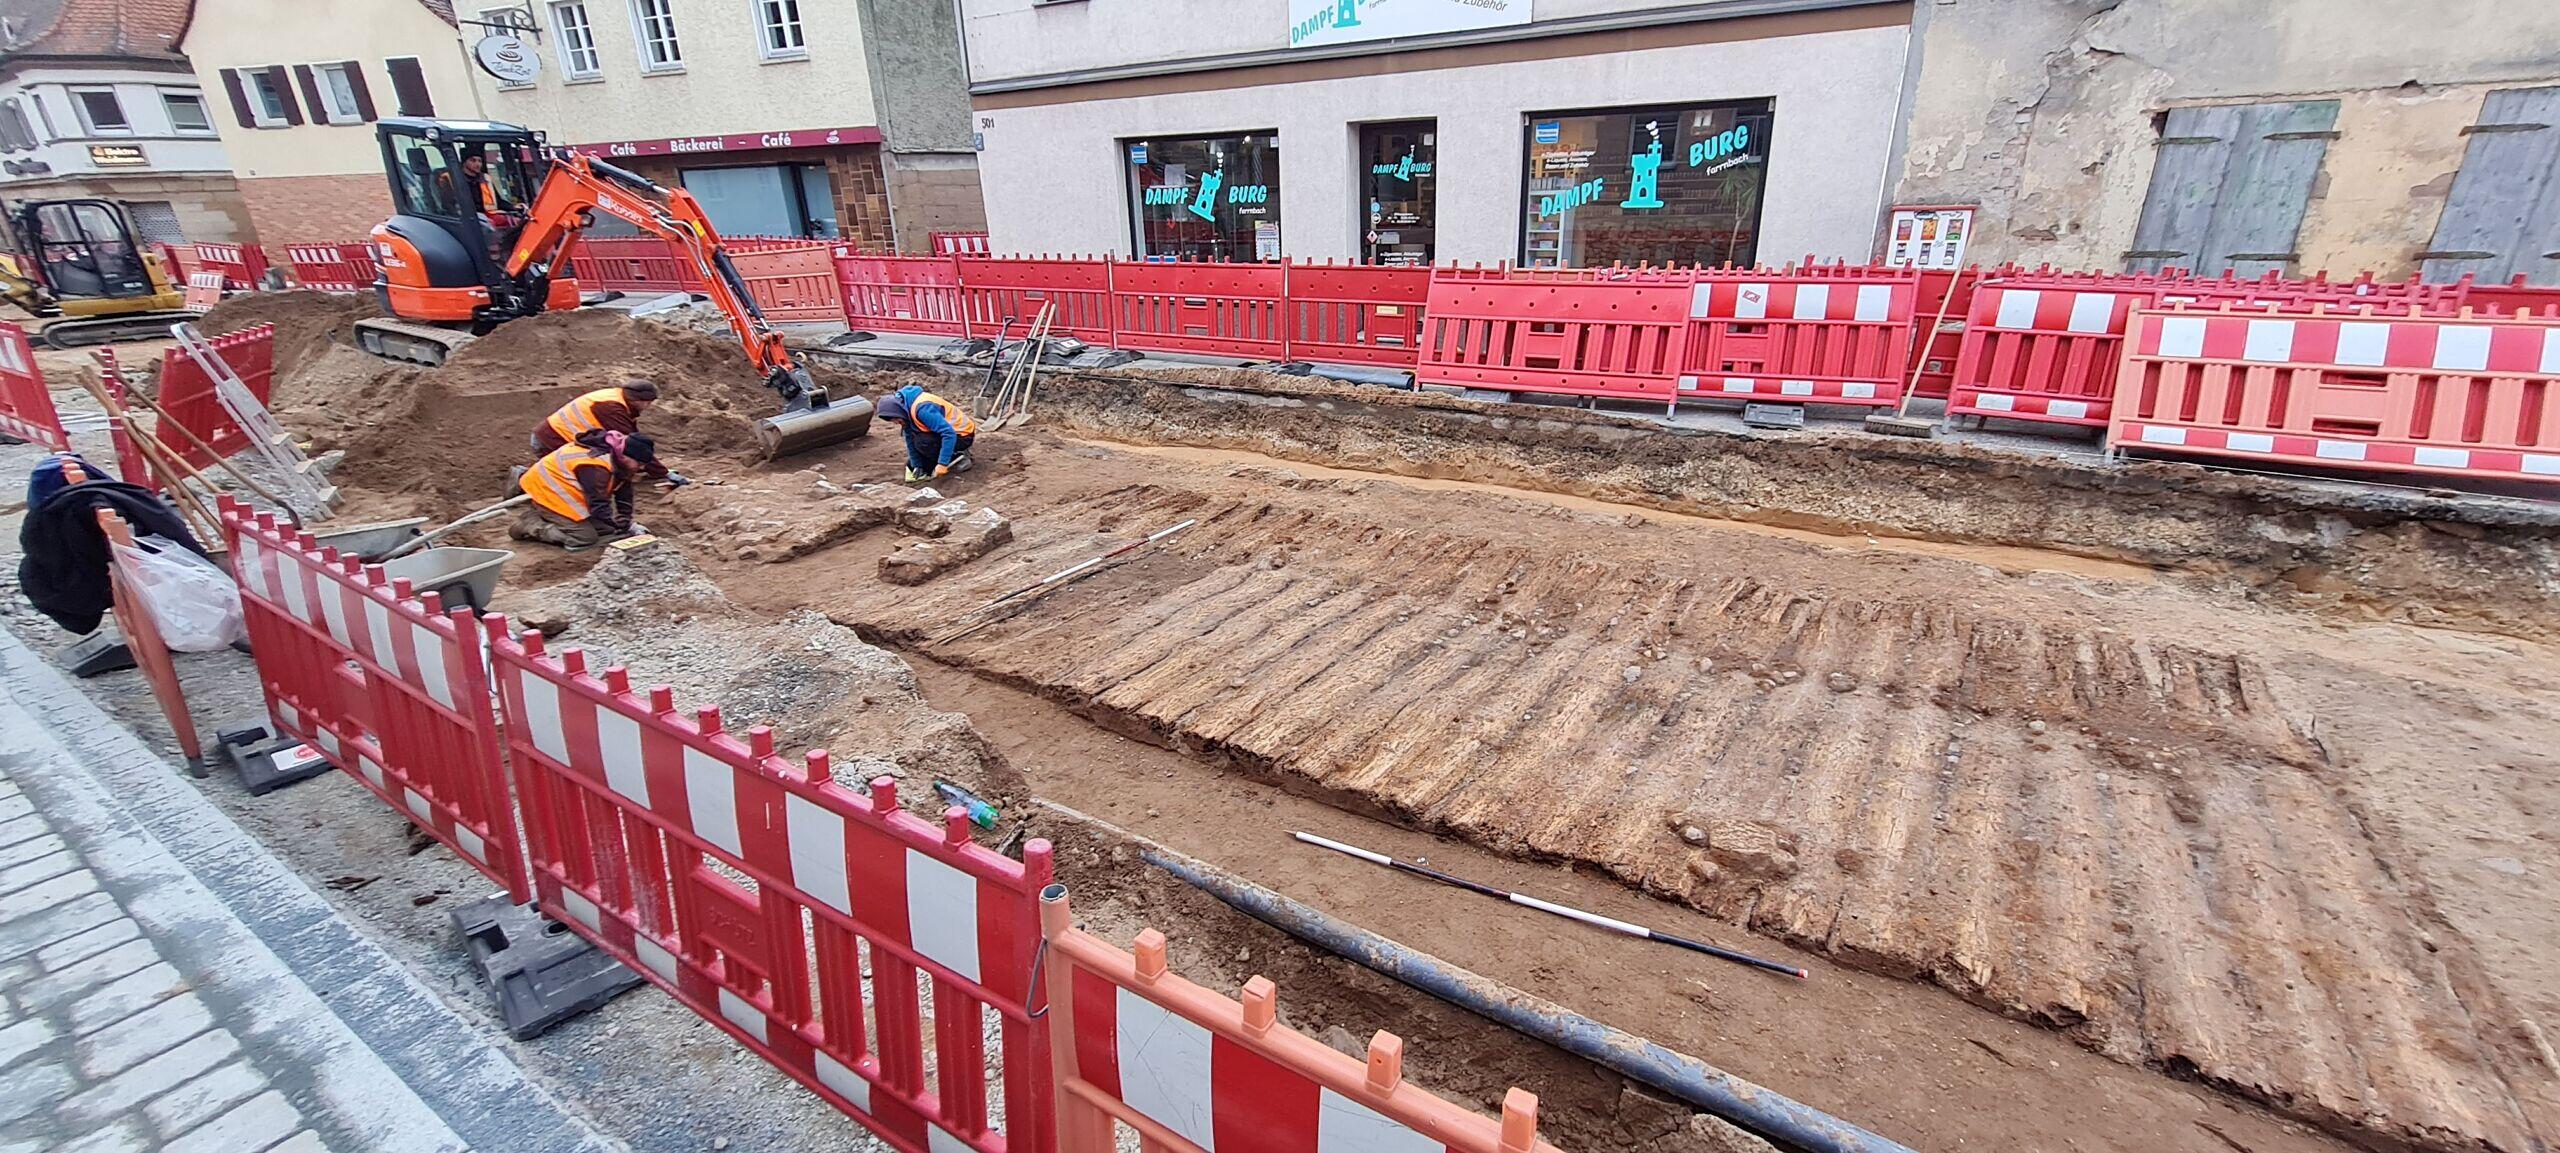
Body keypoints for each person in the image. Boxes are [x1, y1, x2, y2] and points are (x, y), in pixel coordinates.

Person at [532, 378, 687, 487]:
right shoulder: (611, 408)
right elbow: (630, 446)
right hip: (552, 441)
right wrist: (663, 473)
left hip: (553, 436)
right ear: (643, 401)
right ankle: (524, 478)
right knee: (586, 479)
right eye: (649, 403)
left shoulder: (617, 398)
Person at [509, 429, 643, 550]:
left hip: (563, 490)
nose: (642, 468)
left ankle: (549, 519)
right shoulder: (595, 466)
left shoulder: (619, 461)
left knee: (607, 529)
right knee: (583, 538)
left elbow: (623, 492)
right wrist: (622, 525)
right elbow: (598, 503)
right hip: (546, 492)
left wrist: (625, 522)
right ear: (625, 456)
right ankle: (530, 524)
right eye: (640, 463)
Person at [874, 384, 977, 483]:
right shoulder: (905, 409)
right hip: (949, 434)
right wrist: (916, 465)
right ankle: (949, 455)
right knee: (913, 462)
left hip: (963, 435)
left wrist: (942, 463)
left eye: (896, 419)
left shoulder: (922, 409)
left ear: (898, 411)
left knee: (922, 443)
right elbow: (909, 439)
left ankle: (958, 457)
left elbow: (948, 433)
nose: (896, 423)